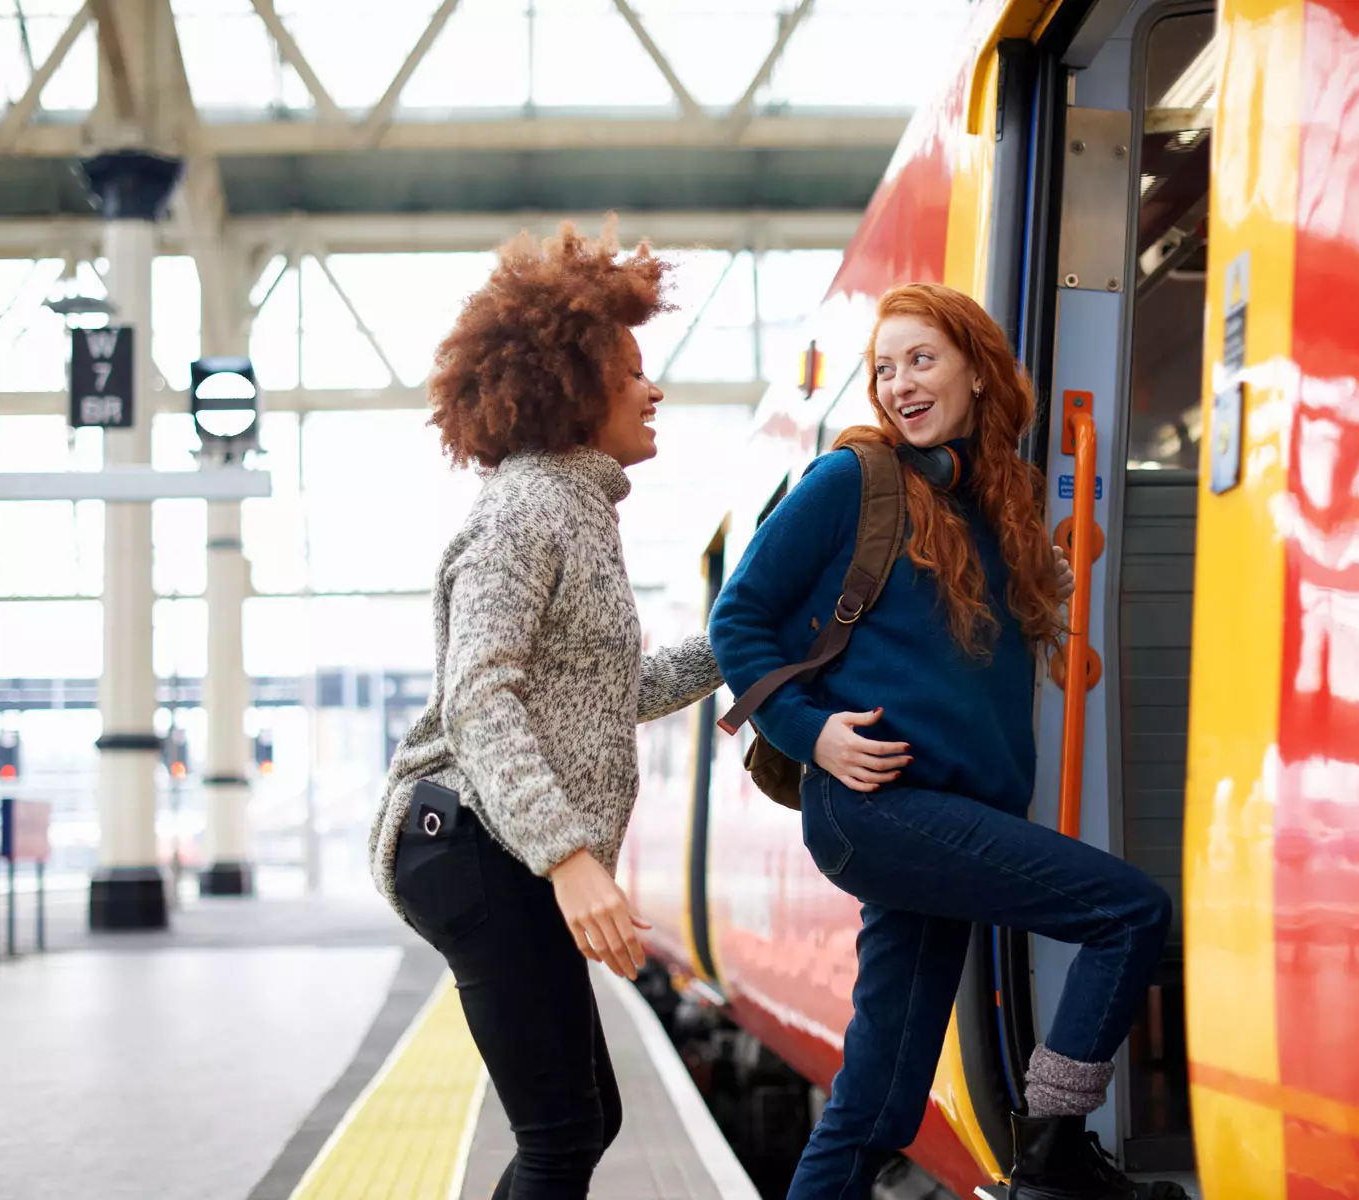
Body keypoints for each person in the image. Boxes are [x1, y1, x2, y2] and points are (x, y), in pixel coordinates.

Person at [709, 283, 1176, 1200]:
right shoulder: (849, 479)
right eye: (884, 370)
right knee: (1129, 914)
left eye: (920, 360)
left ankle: (1033, 1153)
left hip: (942, 818)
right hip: (877, 807)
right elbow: (739, 619)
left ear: (975, 367)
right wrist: (813, 738)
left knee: (879, 1098)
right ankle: (1053, 1147)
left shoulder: (1001, 497)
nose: (899, 385)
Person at [369, 221, 721, 1199]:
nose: (653, 391)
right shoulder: (527, 512)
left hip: (501, 842)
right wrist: (571, 861)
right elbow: (480, 697)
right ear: (571, 385)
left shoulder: (577, 511)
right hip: (470, 840)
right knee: (562, 1134)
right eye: (630, 372)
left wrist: (746, 646)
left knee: (586, 1122)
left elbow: (611, 692)